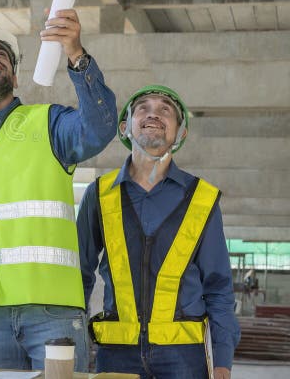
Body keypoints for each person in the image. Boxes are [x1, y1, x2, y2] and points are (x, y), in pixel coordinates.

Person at [0, 9, 117, 371]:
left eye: (1, 54)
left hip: (53, 311)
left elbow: (99, 128)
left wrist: (76, 55)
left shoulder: (48, 123)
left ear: (15, 78)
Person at [77, 85, 240, 379]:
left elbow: (218, 288)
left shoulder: (201, 199)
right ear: (124, 128)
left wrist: (222, 359)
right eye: (143, 108)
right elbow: (79, 274)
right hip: (116, 352)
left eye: (166, 109)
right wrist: (74, 340)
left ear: (181, 133)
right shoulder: (99, 194)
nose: (153, 113)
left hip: (184, 356)